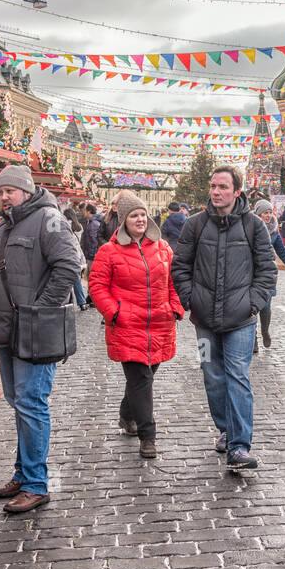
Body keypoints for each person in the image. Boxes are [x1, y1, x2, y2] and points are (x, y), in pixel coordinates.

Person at [0, 165, 84, 513]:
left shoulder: (48, 218)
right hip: (6, 330)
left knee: (31, 402)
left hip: (35, 333)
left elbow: (70, 266)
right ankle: (23, 474)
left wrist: (39, 312)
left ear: (26, 190)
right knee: (18, 401)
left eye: (9, 190)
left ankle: (37, 484)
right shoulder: (3, 226)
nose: (3, 197)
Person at [172, 165, 276, 470]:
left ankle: (240, 445)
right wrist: (190, 300)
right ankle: (225, 429)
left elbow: (267, 270)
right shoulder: (195, 225)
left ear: (237, 192)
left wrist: (253, 304)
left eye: (223, 187)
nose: (216, 192)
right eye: (213, 186)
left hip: (241, 320)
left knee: (237, 377)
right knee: (212, 376)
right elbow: (180, 266)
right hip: (203, 321)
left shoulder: (254, 226)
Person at [89, 192, 183, 457]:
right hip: (128, 325)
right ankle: (148, 435)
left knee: (146, 376)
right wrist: (115, 313)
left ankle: (126, 414)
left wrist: (175, 307)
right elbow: (97, 285)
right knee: (141, 379)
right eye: (133, 215)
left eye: (142, 214)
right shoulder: (109, 251)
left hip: (160, 324)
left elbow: (174, 280)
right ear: (124, 221)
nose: (140, 219)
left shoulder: (163, 247)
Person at [252, 199, 285, 349]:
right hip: (251, 273)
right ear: (258, 214)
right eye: (264, 213)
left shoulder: (274, 231)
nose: (267, 216)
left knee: (266, 307)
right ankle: (252, 338)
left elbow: (284, 253)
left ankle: (265, 331)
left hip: (267, 274)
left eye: (269, 212)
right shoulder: (250, 228)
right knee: (251, 308)